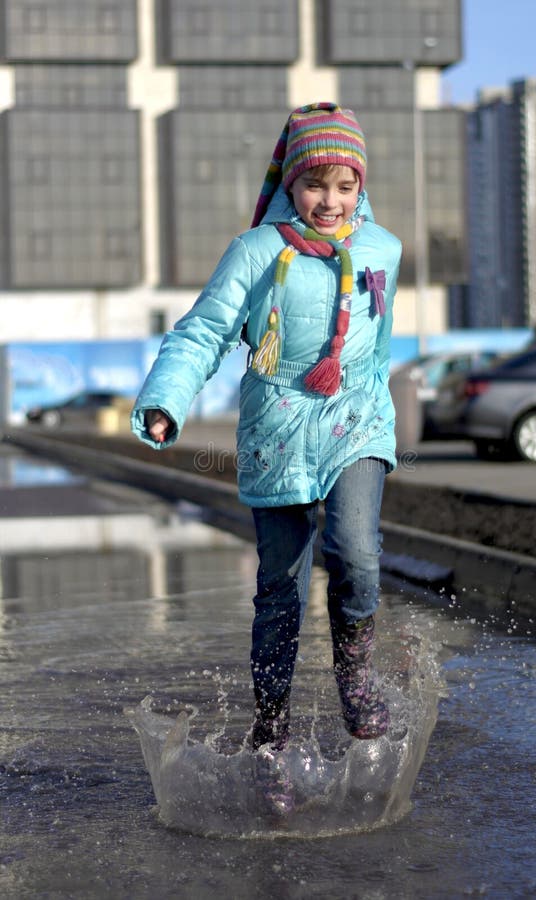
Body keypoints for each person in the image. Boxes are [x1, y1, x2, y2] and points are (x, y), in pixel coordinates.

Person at [131, 102, 402, 761]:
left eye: (344, 187)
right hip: (276, 430)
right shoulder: (256, 251)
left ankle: (355, 680)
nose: (329, 201)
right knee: (279, 584)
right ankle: (272, 719)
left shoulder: (383, 250)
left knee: (356, 554)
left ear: (360, 187)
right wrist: (166, 401)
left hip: (353, 420)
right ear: (289, 184)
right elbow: (203, 331)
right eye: (315, 185)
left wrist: (375, 405)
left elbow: (380, 345)